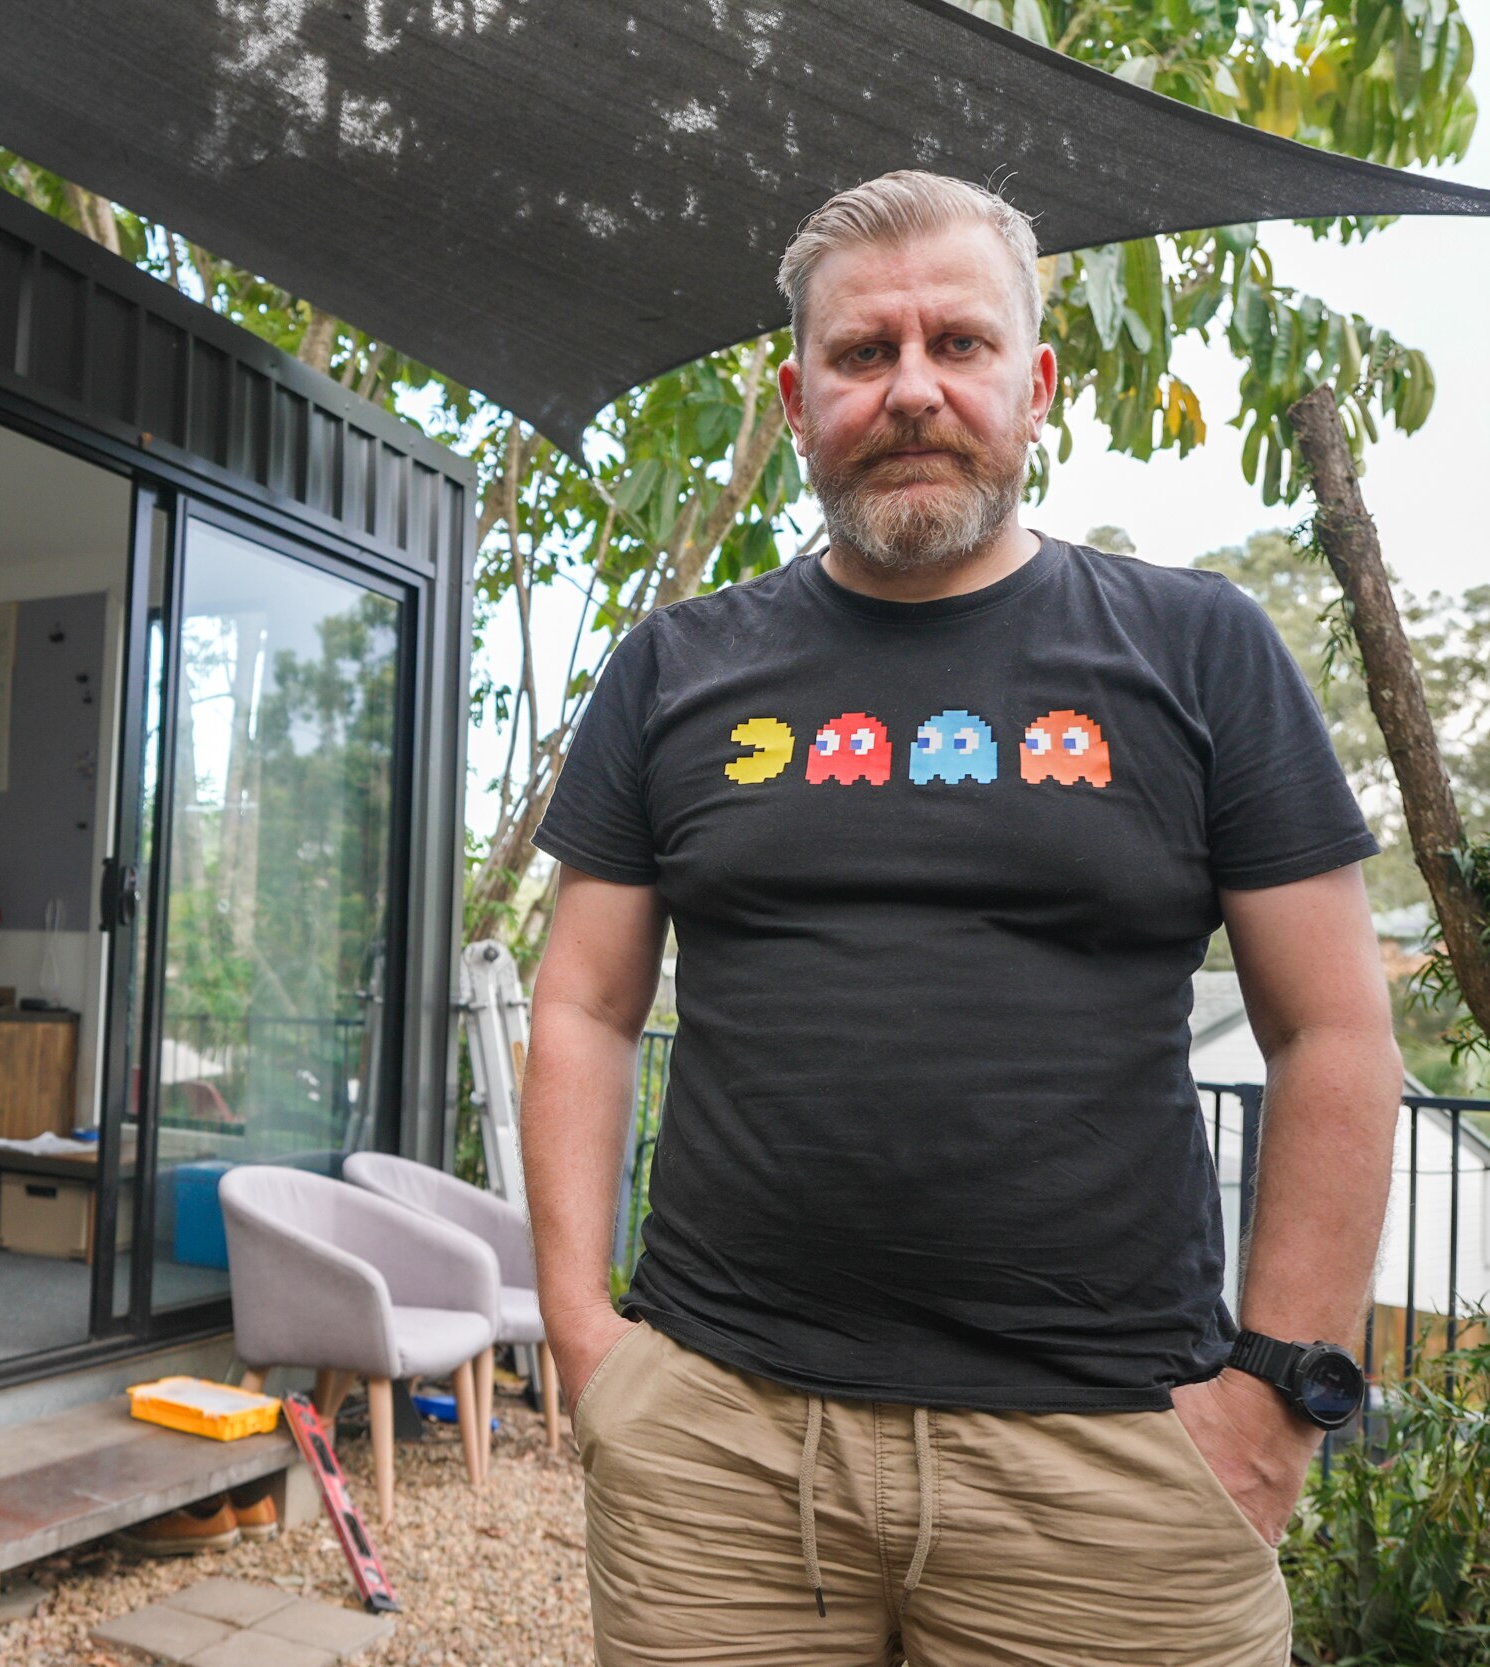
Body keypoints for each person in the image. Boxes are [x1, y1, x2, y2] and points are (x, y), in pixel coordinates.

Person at [522, 170, 1405, 1665]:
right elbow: (585, 1006)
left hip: (1112, 1469)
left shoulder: (1198, 651)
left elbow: (1333, 1024)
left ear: (1037, 383)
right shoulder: (674, 666)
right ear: (796, 394)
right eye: (864, 355)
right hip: (723, 1457)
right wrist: (587, 1342)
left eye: (959, 346)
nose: (911, 389)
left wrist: (1275, 1394)